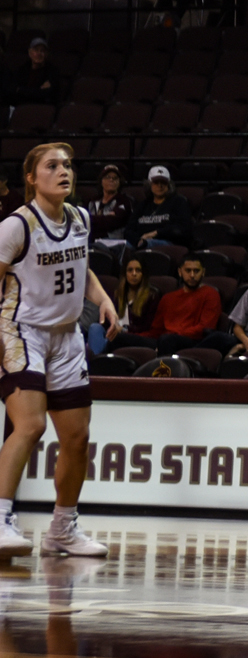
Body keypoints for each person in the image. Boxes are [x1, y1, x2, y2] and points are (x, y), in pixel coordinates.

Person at [0, 142, 119, 559]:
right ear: (31, 178)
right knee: (30, 425)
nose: (63, 171)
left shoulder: (81, 217)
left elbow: (80, 269)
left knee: (77, 437)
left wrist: (102, 299)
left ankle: (62, 529)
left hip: (66, 335)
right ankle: (0, 518)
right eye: (52, 166)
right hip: (21, 330)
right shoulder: (16, 225)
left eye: (67, 165)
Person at [150, 256, 221, 356]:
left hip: (193, 340)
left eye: (196, 271)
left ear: (203, 272)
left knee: (167, 340)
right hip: (164, 338)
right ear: (180, 272)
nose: (192, 275)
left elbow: (205, 327)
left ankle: (166, 366)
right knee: (127, 339)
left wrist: (173, 335)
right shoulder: (168, 298)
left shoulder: (211, 294)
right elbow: (156, 330)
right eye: (188, 271)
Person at [123, 166, 192, 248]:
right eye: (156, 182)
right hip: (141, 242)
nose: (160, 185)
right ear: (149, 184)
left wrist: (156, 233)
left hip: (168, 243)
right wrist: (137, 241)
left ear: (169, 185)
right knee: (120, 246)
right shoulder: (143, 205)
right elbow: (128, 230)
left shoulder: (178, 202)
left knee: (148, 244)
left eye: (163, 182)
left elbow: (183, 228)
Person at [108, 256, 160, 350]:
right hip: (118, 334)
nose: (134, 274)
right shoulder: (117, 294)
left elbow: (147, 326)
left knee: (117, 337)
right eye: (130, 270)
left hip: (140, 337)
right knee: (95, 328)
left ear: (143, 274)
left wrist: (125, 329)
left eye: (138, 270)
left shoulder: (152, 296)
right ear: (125, 273)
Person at [6, 38, 60, 109]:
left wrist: (20, 90)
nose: (39, 53)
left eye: (42, 51)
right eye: (36, 50)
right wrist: (34, 91)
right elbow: (11, 90)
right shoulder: (22, 69)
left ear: (46, 54)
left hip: (40, 108)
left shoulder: (52, 71)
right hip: (19, 106)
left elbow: (45, 94)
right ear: (30, 53)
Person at [85, 165, 131, 242]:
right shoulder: (92, 201)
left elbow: (111, 222)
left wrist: (91, 219)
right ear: (101, 181)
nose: (111, 180)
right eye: (108, 177)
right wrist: (104, 218)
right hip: (90, 240)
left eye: (115, 178)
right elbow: (82, 219)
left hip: (113, 242)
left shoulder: (123, 201)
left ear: (119, 182)